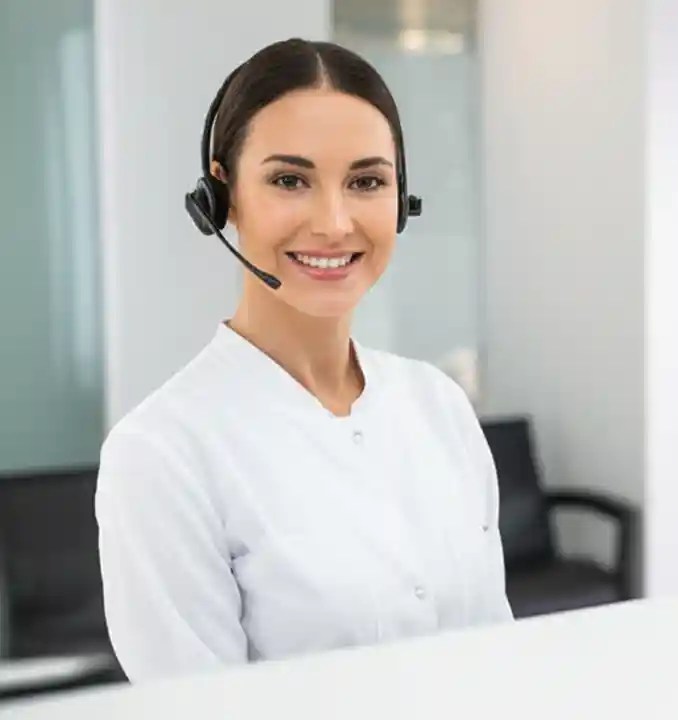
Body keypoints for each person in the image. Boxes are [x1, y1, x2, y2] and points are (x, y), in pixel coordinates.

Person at [95, 38, 512, 683]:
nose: (334, 222)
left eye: (367, 181)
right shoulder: (161, 454)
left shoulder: (439, 404)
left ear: (401, 200)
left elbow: (499, 659)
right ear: (221, 193)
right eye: (290, 180)